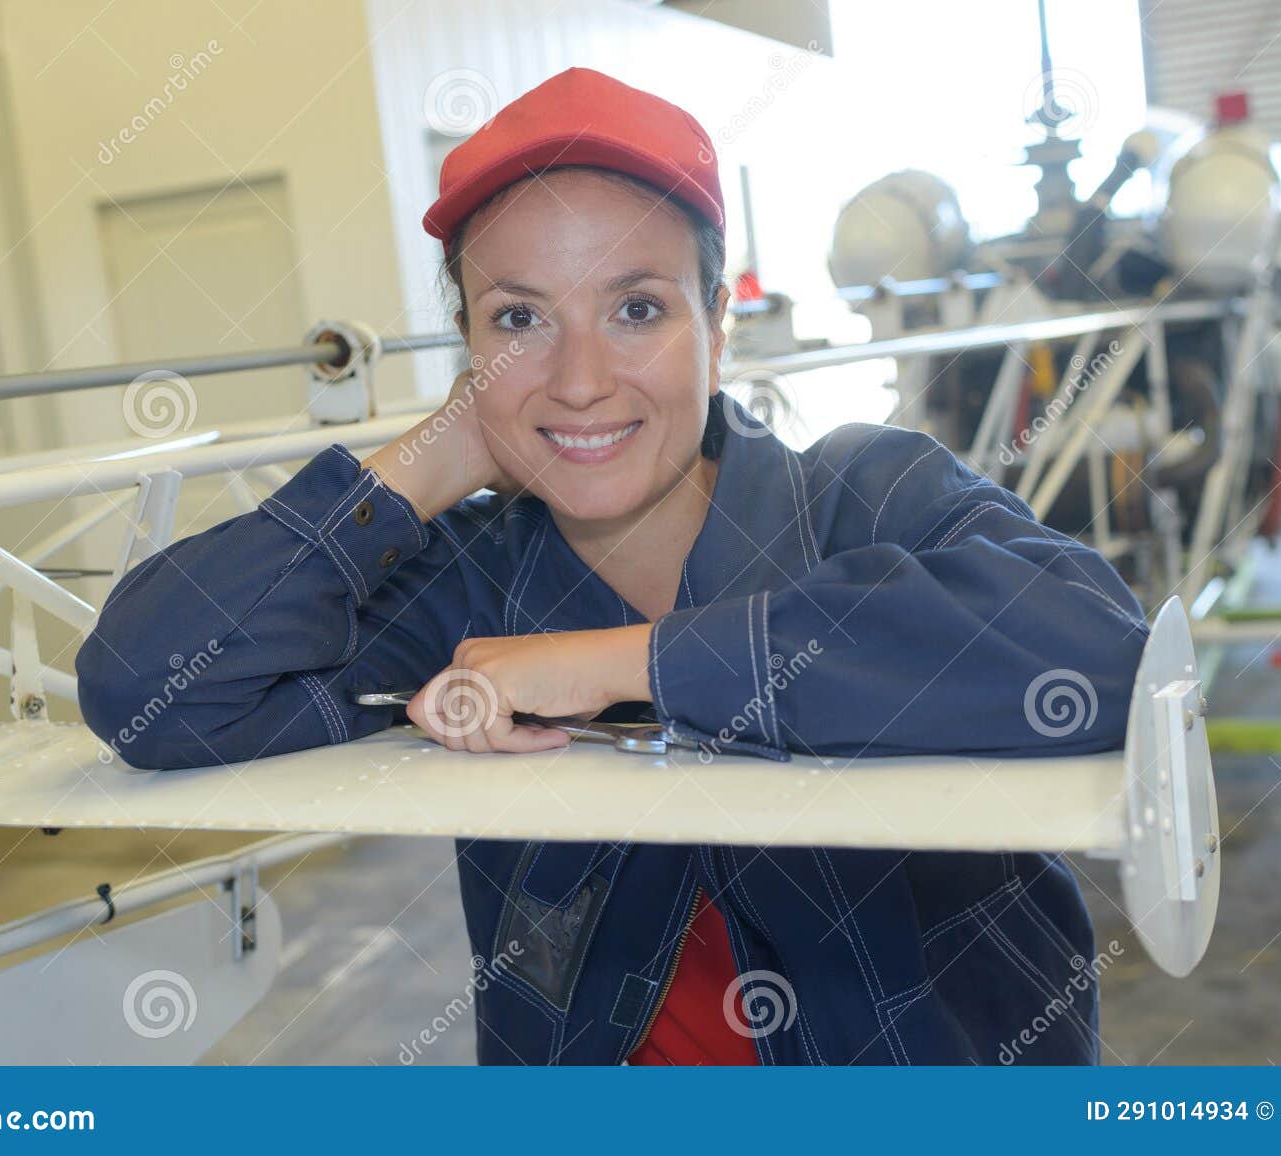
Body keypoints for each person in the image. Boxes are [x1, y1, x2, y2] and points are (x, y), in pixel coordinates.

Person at [76, 67, 1150, 1065]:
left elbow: (1101, 651)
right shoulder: (467, 586)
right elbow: (150, 689)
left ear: (718, 327)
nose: (580, 379)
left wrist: (615, 663)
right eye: (519, 320)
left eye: (637, 308)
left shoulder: (865, 497)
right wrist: (414, 469)